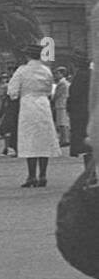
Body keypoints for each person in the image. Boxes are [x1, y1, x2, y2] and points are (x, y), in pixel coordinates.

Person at [7, 42, 62, 187]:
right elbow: (50, 90)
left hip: (28, 104)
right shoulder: (46, 70)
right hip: (43, 105)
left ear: (27, 56)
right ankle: (43, 175)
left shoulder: (22, 70)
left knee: (30, 139)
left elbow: (12, 91)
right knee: (43, 138)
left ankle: (31, 176)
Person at [66, 57, 91, 162]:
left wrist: (69, 107)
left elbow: (75, 94)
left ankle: (90, 173)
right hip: (91, 111)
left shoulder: (80, 76)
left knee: (84, 142)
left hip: (81, 113)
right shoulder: (92, 74)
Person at [53, 67, 71, 149]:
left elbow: (57, 94)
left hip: (61, 104)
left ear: (62, 74)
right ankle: (65, 139)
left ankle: (64, 140)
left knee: (62, 123)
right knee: (63, 122)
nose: (56, 75)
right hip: (63, 104)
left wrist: (52, 99)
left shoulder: (62, 83)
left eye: (57, 73)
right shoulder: (65, 83)